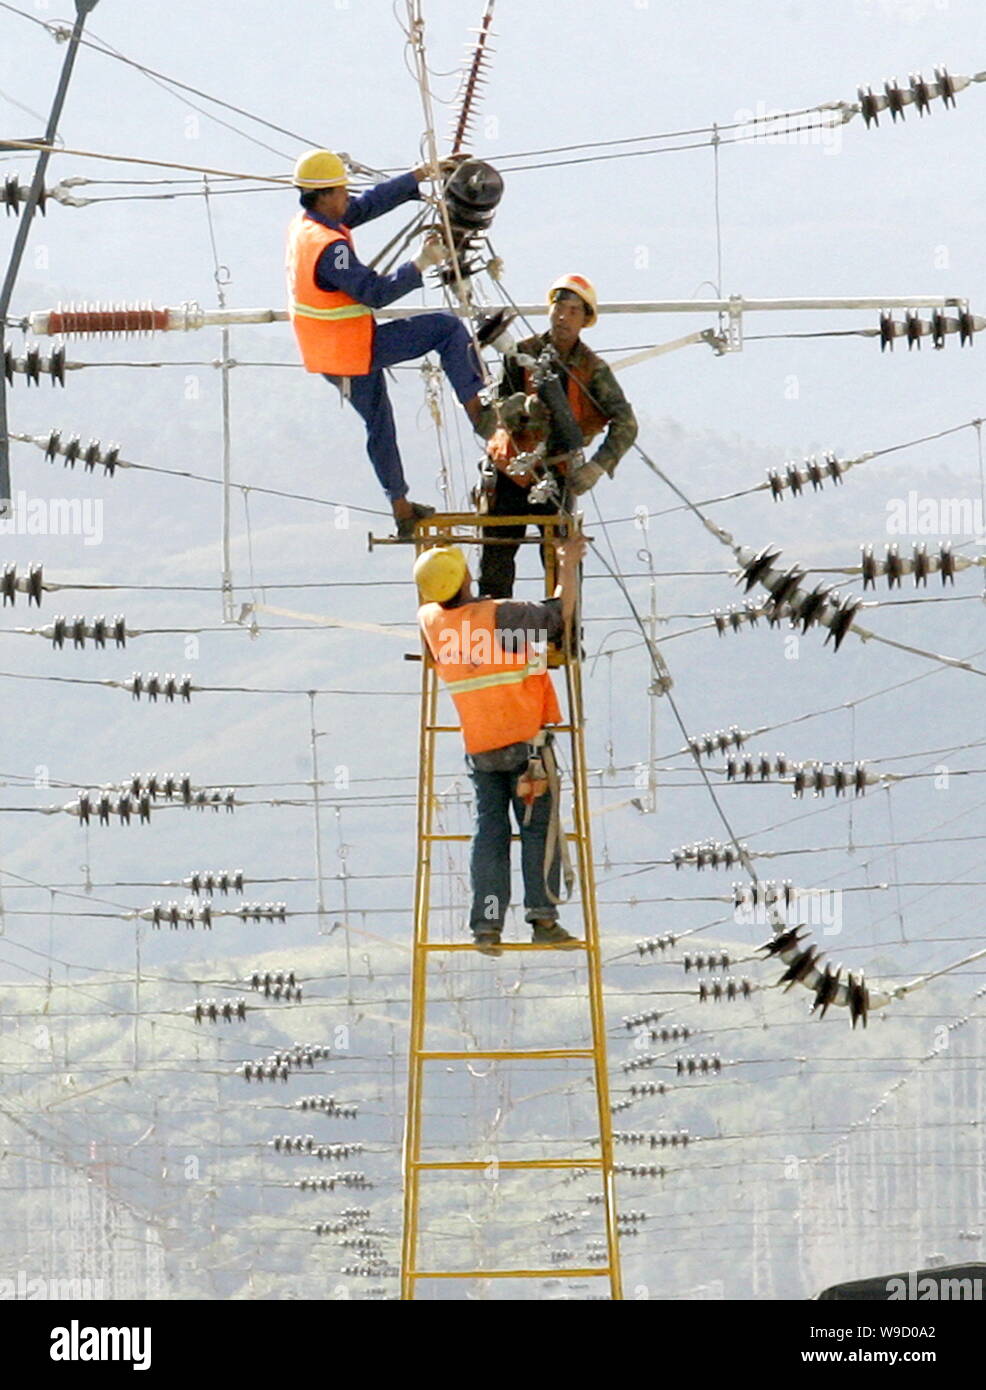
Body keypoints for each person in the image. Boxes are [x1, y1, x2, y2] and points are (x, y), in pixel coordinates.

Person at [286, 148, 490, 536]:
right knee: (446, 328)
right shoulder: (332, 250)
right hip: (351, 348)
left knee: (379, 424)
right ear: (325, 194)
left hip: (325, 351)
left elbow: (365, 207)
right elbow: (375, 293)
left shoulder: (306, 226)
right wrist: (421, 263)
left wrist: (418, 175)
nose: (348, 197)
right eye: (342, 191)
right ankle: (480, 413)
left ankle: (401, 507)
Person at [414, 535, 587, 954]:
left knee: (489, 835)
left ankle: (487, 924)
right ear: (463, 577)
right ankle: (543, 919)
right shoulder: (501, 615)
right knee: (536, 831)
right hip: (527, 747)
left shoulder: (429, 621)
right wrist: (568, 562)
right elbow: (559, 615)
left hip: (481, 748)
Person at [477, 274, 638, 597]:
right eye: (558, 308)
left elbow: (626, 423)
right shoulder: (520, 354)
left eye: (573, 311)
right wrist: (515, 409)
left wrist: (596, 467)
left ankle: (561, 634)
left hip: (558, 471)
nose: (563, 317)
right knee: (496, 556)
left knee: (562, 559)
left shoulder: (593, 370)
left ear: (585, 320)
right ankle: (495, 634)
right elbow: (490, 413)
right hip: (512, 469)